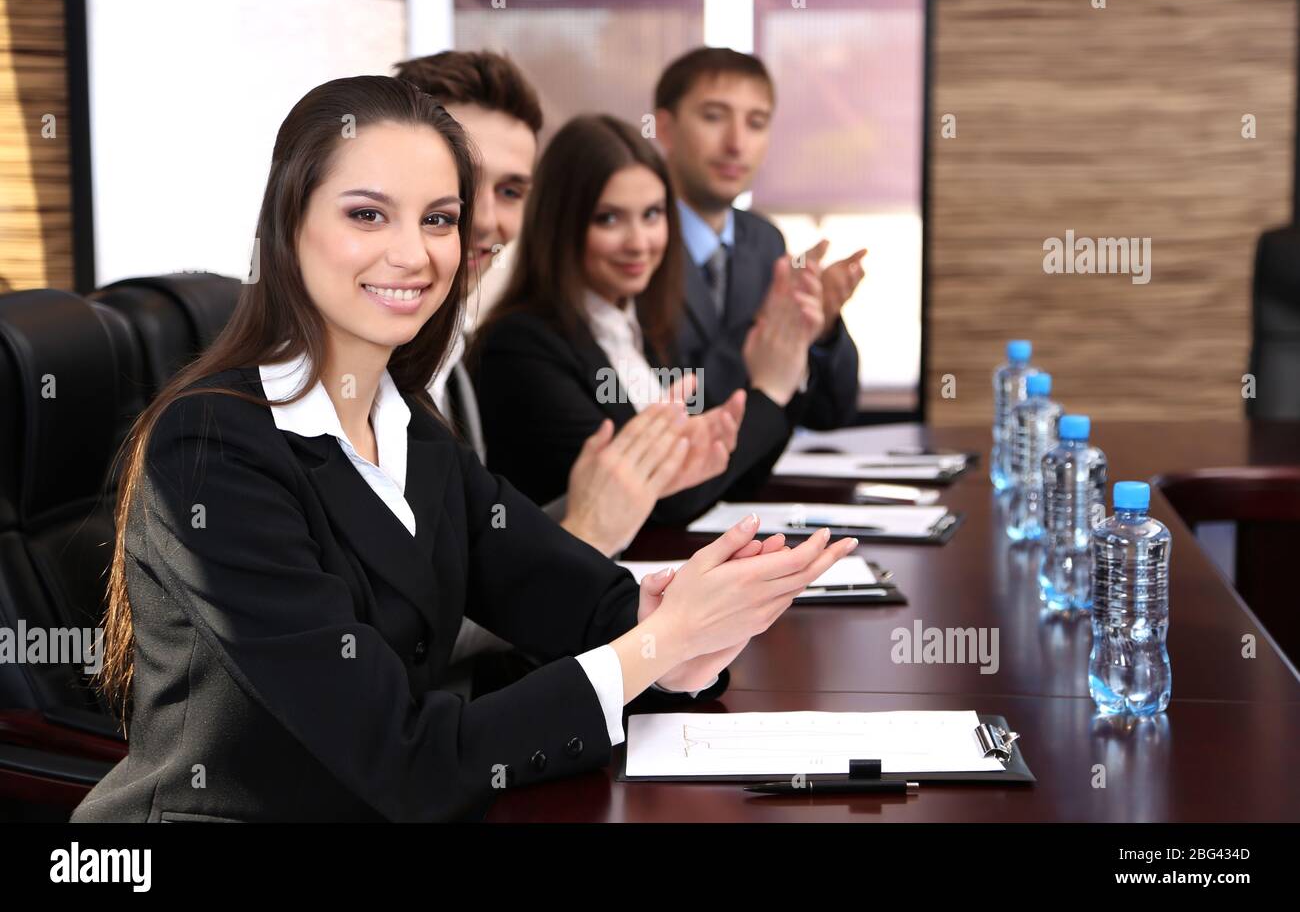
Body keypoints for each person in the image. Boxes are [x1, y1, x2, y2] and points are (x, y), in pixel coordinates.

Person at [70, 76, 858, 823]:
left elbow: (574, 594)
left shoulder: (409, 427)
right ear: (288, 225)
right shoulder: (212, 449)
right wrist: (658, 646)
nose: (415, 254)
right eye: (368, 215)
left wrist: (683, 626)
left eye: (439, 219)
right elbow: (402, 758)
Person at [394, 50, 738, 560]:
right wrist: (587, 532)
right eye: (461, 181)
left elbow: (469, 572)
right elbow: (405, 623)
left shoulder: (451, 370)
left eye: (510, 191)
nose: (487, 220)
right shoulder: (505, 346)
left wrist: (603, 508)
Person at [473, 114, 816, 522]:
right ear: (561, 226)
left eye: (652, 214)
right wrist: (770, 390)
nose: (638, 243)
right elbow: (662, 497)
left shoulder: (645, 330)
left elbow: (727, 476)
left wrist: (787, 355)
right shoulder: (519, 346)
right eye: (609, 219)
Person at [654, 47, 866, 429]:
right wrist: (768, 327)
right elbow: (666, 401)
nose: (736, 143)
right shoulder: (636, 246)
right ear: (665, 129)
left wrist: (820, 331)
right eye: (714, 117)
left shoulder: (765, 241)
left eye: (756, 123)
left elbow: (829, 416)